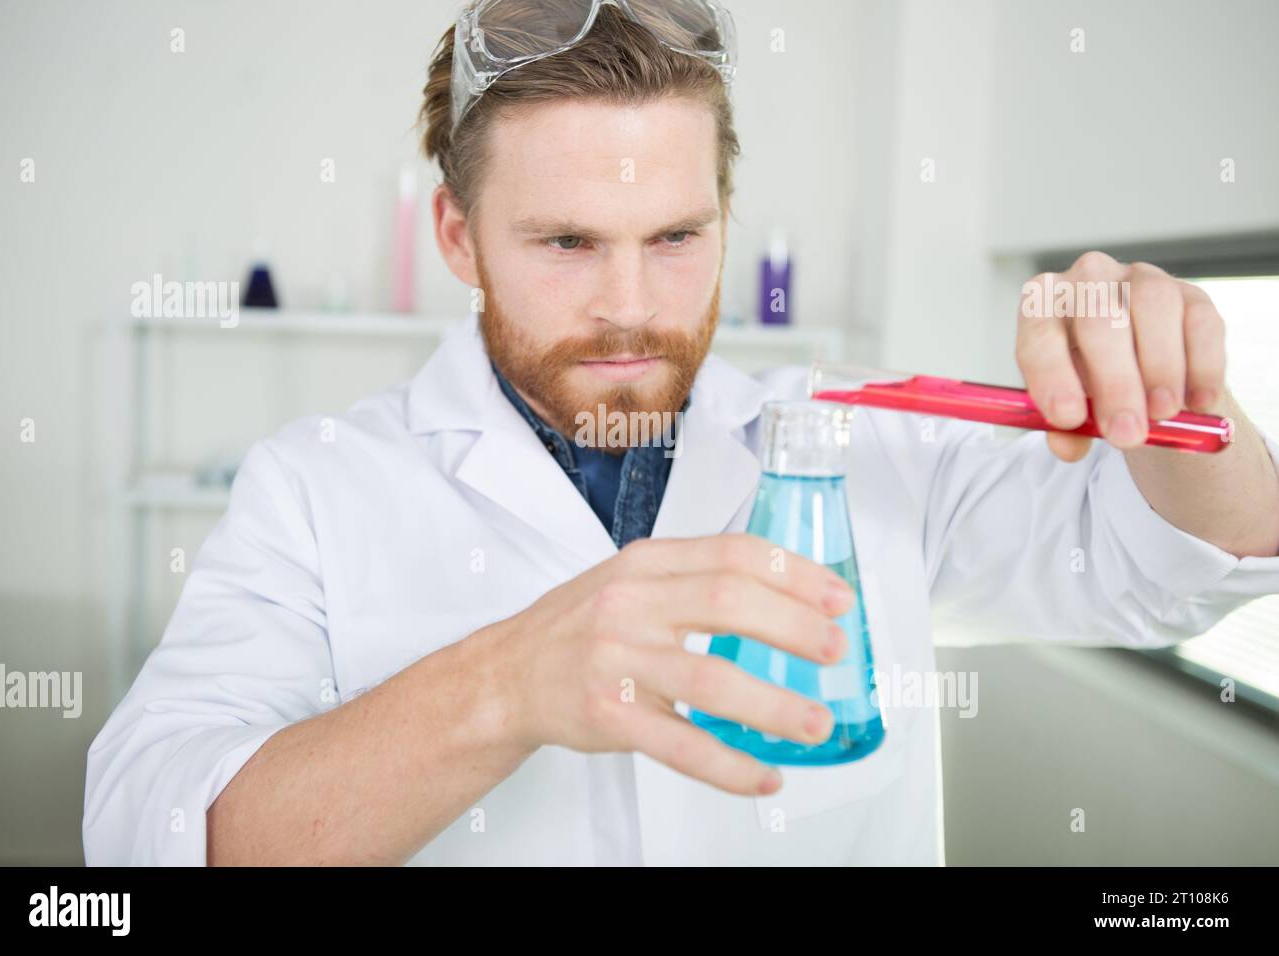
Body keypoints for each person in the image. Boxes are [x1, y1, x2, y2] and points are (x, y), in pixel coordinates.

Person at [83, 0, 1279, 866]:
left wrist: (1176, 394)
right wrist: (504, 683)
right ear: (457, 235)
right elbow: (144, 841)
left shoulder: (860, 441)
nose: (630, 305)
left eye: (673, 237)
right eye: (564, 242)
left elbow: (1173, 572)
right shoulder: (314, 488)